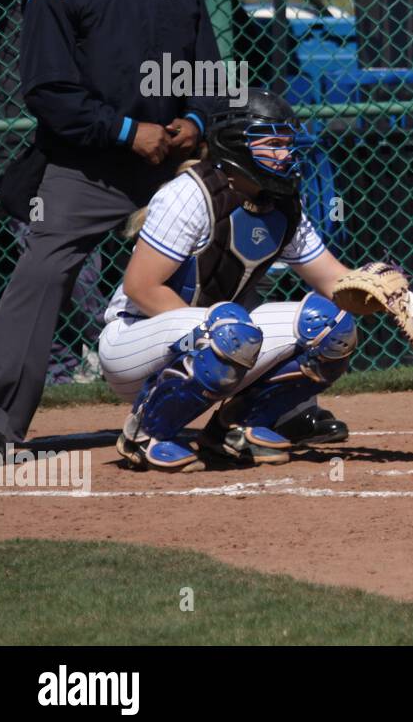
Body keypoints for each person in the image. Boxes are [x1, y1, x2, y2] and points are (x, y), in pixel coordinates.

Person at [0, 0, 220, 462]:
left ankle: (266, 403)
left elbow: (208, 75)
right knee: (44, 270)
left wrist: (195, 120)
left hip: (172, 161)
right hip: (86, 165)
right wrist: (124, 131)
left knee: (241, 244)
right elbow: (48, 91)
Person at [97, 91, 370, 472]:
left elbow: (336, 282)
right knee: (229, 328)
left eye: (287, 143)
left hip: (224, 339)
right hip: (134, 342)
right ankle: (145, 433)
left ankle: (235, 429)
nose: (285, 154)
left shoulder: (283, 204)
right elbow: (141, 288)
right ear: (235, 143)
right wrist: (210, 337)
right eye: (272, 143)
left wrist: (390, 295)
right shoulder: (191, 193)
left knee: (331, 325)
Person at [0, 0, 105, 386]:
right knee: (31, 244)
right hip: (5, 118)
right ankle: (67, 355)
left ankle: (88, 350)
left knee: (60, 239)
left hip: (59, 118)